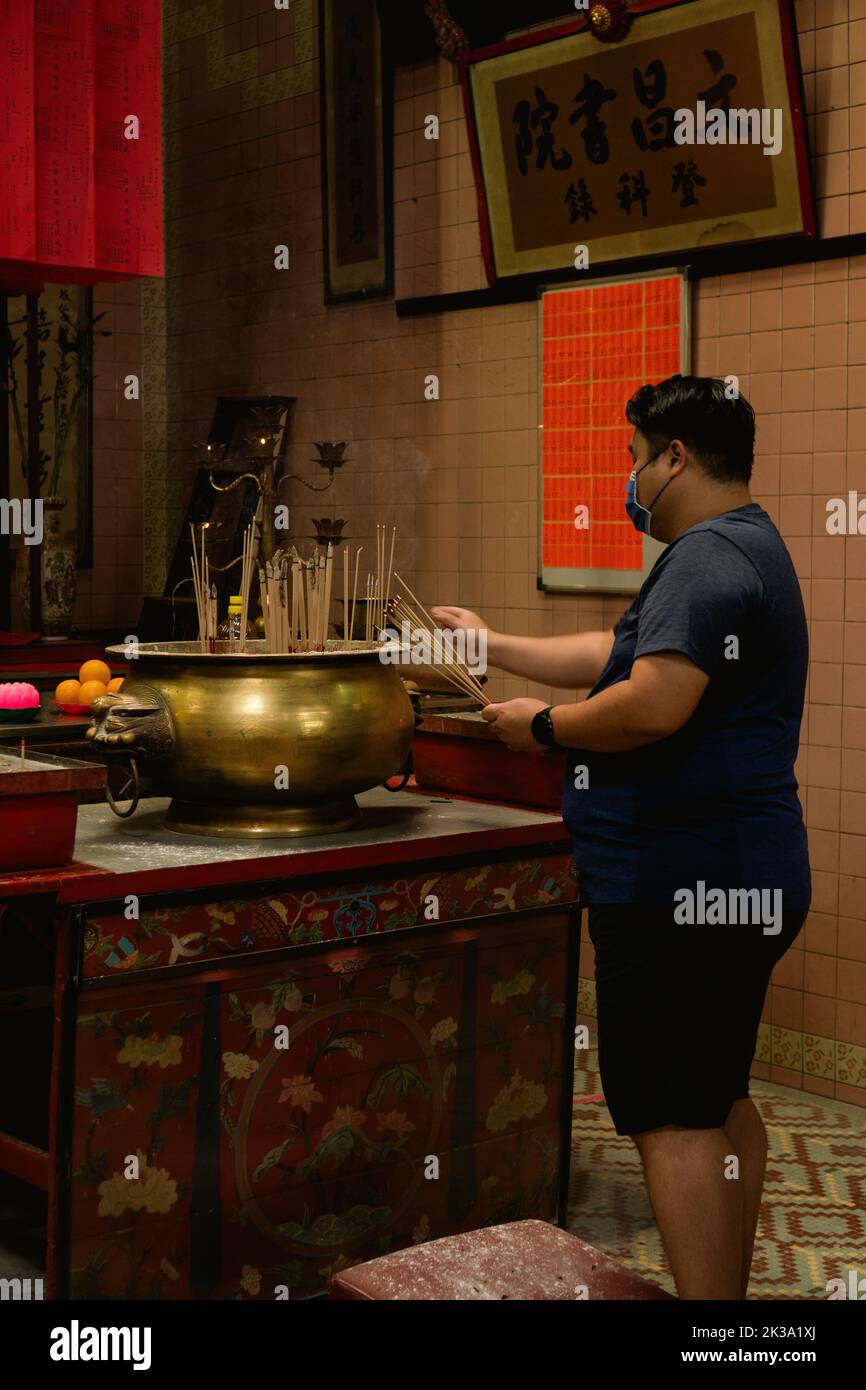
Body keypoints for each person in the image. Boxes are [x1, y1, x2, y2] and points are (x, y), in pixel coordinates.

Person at [432, 375, 810, 1300]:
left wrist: (544, 728)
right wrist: (494, 645)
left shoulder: (706, 559)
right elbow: (623, 648)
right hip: (743, 874)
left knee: (671, 1114)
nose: (631, 480)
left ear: (675, 455)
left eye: (637, 458)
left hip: (682, 883)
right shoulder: (742, 545)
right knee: (718, 1095)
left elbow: (651, 703)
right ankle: (728, 1312)